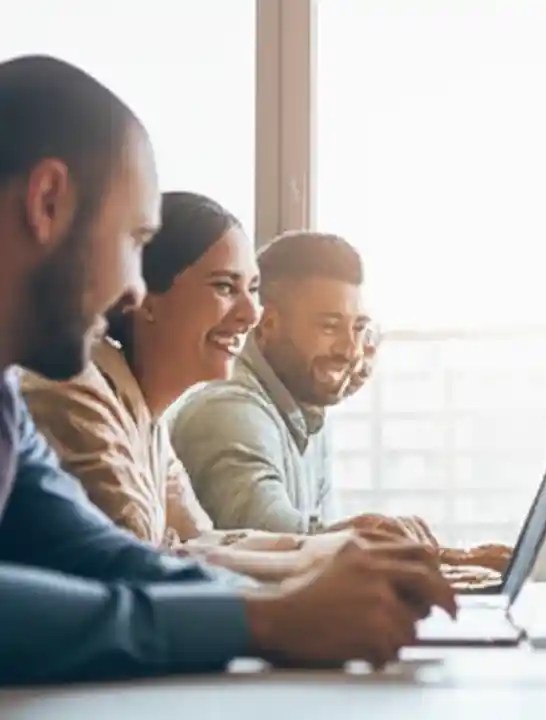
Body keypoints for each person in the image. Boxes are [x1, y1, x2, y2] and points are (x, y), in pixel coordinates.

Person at [0, 55, 453, 684]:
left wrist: (282, 606)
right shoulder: (73, 391)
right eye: (133, 242)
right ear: (47, 203)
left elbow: (98, 553)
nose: (134, 291)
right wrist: (261, 623)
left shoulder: (7, 406)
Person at [20, 191, 394, 582]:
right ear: (142, 295)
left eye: (252, 289)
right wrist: (318, 560)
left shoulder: (145, 413)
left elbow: (201, 539)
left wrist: (343, 543)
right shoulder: (78, 394)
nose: (252, 314)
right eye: (225, 287)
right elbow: (142, 568)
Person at [170, 231, 510, 572]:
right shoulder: (230, 412)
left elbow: (320, 543)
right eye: (330, 327)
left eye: (358, 328)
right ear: (267, 325)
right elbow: (279, 543)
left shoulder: (304, 407)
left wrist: (456, 561)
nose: (351, 350)